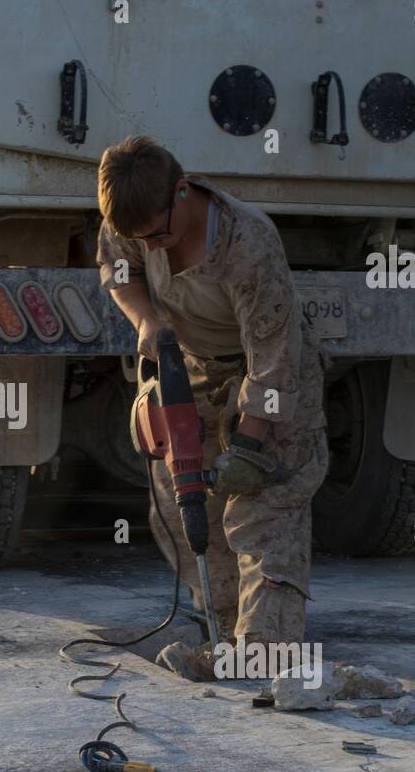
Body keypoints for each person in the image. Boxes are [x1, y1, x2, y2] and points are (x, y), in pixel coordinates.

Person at [96, 135, 329, 672]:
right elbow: (119, 271)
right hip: (191, 363)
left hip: (268, 368)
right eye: (139, 238)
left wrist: (250, 445)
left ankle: (270, 652)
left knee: (263, 508)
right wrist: (148, 321)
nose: (151, 247)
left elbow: (273, 358)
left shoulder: (248, 241)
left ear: (182, 192)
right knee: (181, 504)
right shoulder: (131, 217)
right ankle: (227, 636)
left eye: (158, 234)